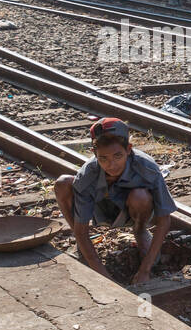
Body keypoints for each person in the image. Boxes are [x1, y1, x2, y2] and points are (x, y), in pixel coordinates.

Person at [52, 117, 177, 285]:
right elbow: (82, 231)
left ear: (129, 150)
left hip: (135, 211)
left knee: (141, 196)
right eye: (103, 158)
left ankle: (139, 231)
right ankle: (82, 248)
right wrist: (106, 279)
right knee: (62, 183)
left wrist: (145, 270)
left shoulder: (147, 168)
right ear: (94, 154)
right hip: (99, 211)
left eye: (118, 156)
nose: (111, 165)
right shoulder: (87, 175)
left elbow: (164, 220)